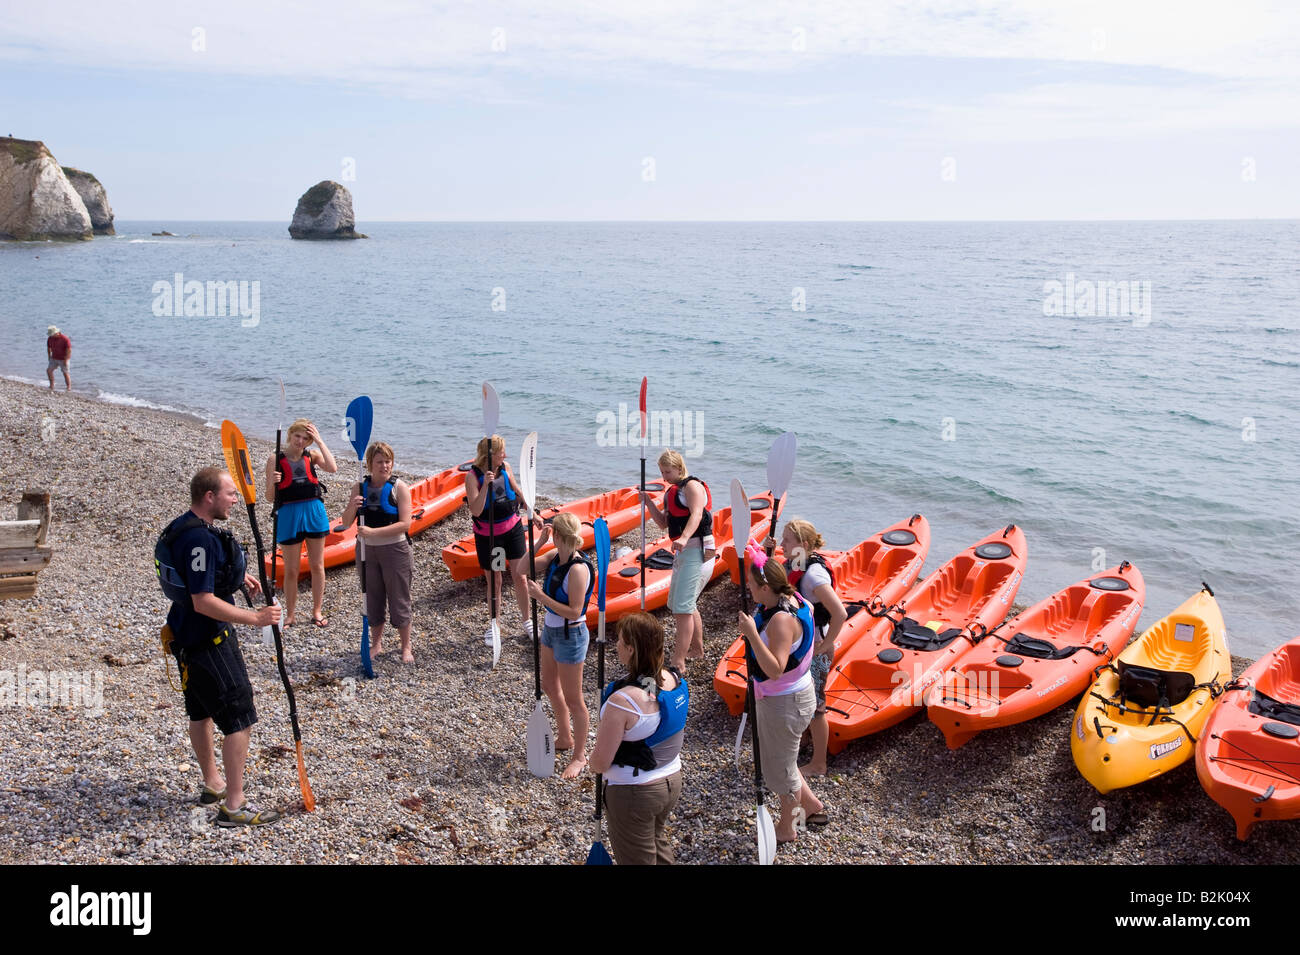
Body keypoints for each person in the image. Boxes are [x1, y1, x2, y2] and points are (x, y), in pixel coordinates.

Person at [155, 467, 282, 826]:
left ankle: (213, 783)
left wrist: (237, 575)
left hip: (183, 636)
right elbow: (203, 600)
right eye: (229, 493)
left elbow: (197, 575)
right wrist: (255, 618)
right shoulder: (200, 541)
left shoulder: (182, 528)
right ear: (209, 497)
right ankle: (234, 805)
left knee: (200, 711)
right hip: (209, 640)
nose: (234, 499)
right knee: (239, 718)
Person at [737, 544, 827, 845]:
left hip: (786, 702)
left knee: (781, 767)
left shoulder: (780, 620)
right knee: (783, 758)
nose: (747, 589)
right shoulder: (791, 596)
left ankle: (788, 826)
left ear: (765, 587)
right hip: (788, 697)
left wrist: (751, 634)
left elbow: (775, 668)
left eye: (751, 585)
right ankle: (812, 805)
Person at [590, 612, 688, 865]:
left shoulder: (623, 702)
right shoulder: (672, 679)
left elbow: (600, 763)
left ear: (631, 649)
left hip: (636, 793)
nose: (616, 646)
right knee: (657, 842)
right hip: (671, 781)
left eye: (620, 641)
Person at [765, 519, 848, 777]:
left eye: (787, 540)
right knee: (805, 702)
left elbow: (840, 613)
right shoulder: (796, 563)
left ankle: (819, 763)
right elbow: (774, 580)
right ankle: (805, 742)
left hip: (817, 649)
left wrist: (828, 643)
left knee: (816, 708)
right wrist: (769, 553)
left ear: (804, 545)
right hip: (805, 645)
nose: (783, 544)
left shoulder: (814, 574)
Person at [524, 512, 593, 778]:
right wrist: (540, 541)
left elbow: (575, 611)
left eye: (552, 535)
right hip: (551, 632)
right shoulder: (555, 557)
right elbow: (520, 569)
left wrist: (540, 597)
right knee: (550, 687)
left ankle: (579, 756)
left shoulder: (578, 569)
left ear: (560, 536)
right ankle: (565, 737)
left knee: (575, 700)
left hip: (571, 635)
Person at [337, 441, 415, 663]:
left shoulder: (399, 487)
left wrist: (374, 532)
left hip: (395, 549)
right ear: (370, 463)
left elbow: (405, 524)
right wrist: (354, 505)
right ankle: (376, 644)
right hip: (366, 551)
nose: (385, 466)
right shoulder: (359, 488)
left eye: (388, 461)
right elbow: (345, 521)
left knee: (399, 599)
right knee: (372, 598)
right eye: (380, 462)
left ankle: (406, 647)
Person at [639, 450, 714, 671]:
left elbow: (697, 514)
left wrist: (683, 537)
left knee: (682, 608)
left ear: (680, 468)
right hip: (684, 551)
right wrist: (648, 503)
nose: (664, 477)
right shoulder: (671, 492)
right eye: (662, 472)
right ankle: (697, 649)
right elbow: (663, 523)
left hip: (698, 550)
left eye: (668, 471)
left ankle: (678, 662)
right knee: (683, 603)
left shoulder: (692, 487)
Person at [264, 418, 337, 627]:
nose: (300, 441)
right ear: (290, 434)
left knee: (317, 565)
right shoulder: (275, 459)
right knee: (291, 570)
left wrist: (320, 441)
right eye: (297, 436)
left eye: (306, 438)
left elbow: (332, 468)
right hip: (288, 514)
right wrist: (273, 482)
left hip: (313, 511)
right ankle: (290, 615)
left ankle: (317, 611)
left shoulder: (311, 455)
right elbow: (269, 497)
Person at [463, 434, 533, 643]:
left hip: (513, 531)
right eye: (502, 451)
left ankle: (527, 621)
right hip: (492, 538)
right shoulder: (473, 477)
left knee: (520, 576)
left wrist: (532, 512)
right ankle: (495, 626)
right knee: (496, 580)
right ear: (491, 454)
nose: (506, 454)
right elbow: (475, 510)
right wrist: (486, 485)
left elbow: (517, 491)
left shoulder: (506, 467)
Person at [46, 324, 71, 391]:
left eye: (52, 334)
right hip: (54, 357)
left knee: (65, 372)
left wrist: (66, 360)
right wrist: (49, 357)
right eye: (51, 335)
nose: (51, 336)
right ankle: (51, 385)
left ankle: (68, 387)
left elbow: (69, 351)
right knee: (49, 370)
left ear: (57, 333)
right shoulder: (50, 338)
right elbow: (48, 348)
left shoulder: (65, 339)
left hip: (63, 358)